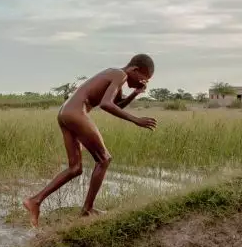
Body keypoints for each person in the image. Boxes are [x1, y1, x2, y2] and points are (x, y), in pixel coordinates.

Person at [23, 54, 157, 227]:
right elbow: (106, 105)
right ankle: (87, 210)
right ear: (135, 69)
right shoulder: (120, 75)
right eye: (144, 78)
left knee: (75, 168)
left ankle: (35, 201)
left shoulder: (116, 76)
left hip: (65, 113)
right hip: (76, 113)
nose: (144, 82)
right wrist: (136, 120)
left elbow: (117, 104)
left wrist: (135, 93)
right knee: (104, 159)